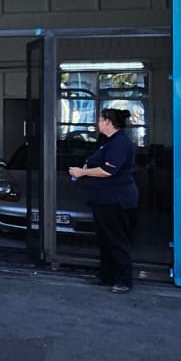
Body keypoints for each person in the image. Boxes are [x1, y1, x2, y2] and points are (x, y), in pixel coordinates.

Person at [69, 108, 139, 293]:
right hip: (104, 199)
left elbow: (108, 170)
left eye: (100, 120)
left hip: (115, 200)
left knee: (116, 239)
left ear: (108, 122)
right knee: (106, 238)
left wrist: (81, 172)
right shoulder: (109, 143)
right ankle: (108, 275)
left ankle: (123, 280)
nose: (97, 123)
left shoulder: (119, 144)